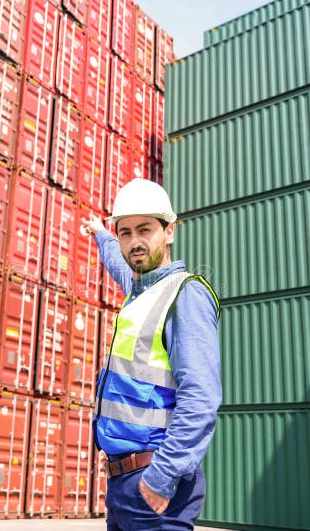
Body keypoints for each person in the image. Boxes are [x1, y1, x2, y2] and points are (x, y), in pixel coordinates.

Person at [81, 178, 221, 531]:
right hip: (122, 482)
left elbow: (201, 398)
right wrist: (101, 233)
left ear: (169, 231)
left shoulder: (185, 295)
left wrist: (161, 478)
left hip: (155, 479)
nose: (133, 242)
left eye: (144, 229)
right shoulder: (139, 290)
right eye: (125, 232)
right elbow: (118, 260)